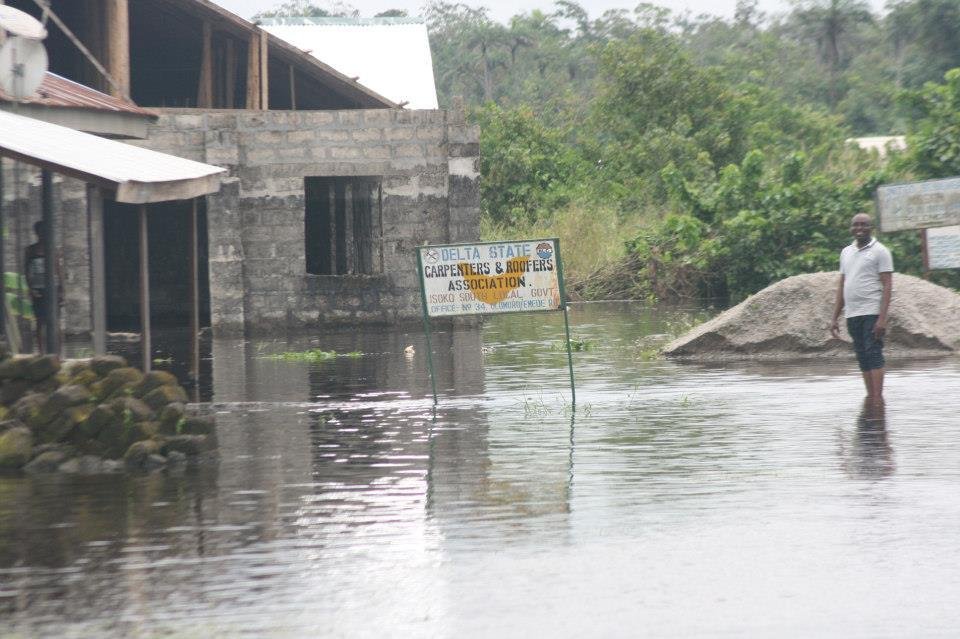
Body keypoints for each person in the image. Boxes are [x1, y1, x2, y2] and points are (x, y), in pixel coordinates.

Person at [829, 212, 893, 401]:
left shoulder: (880, 251)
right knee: (862, 355)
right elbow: (842, 285)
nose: (859, 228)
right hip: (852, 313)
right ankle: (870, 397)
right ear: (851, 228)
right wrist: (834, 317)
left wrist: (882, 319)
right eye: (855, 225)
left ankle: (877, 399)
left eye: (864, 225)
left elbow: (888, 285)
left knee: (873, 353)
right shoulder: (846, 252)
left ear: (871, 228)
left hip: (872, 312)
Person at [24, 220, 60, 352]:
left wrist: (62, 290)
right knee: (40, 321)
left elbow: (58, 269)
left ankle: (58, 354)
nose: (43, 234)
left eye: (45, 231)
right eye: (41, 231)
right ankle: (40, 352)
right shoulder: (30, 250)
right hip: (38, 288)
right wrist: (30, 289)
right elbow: (26, 271)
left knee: (56, 321)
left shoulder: (52, 249)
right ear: (37, 233)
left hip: (53, 288)